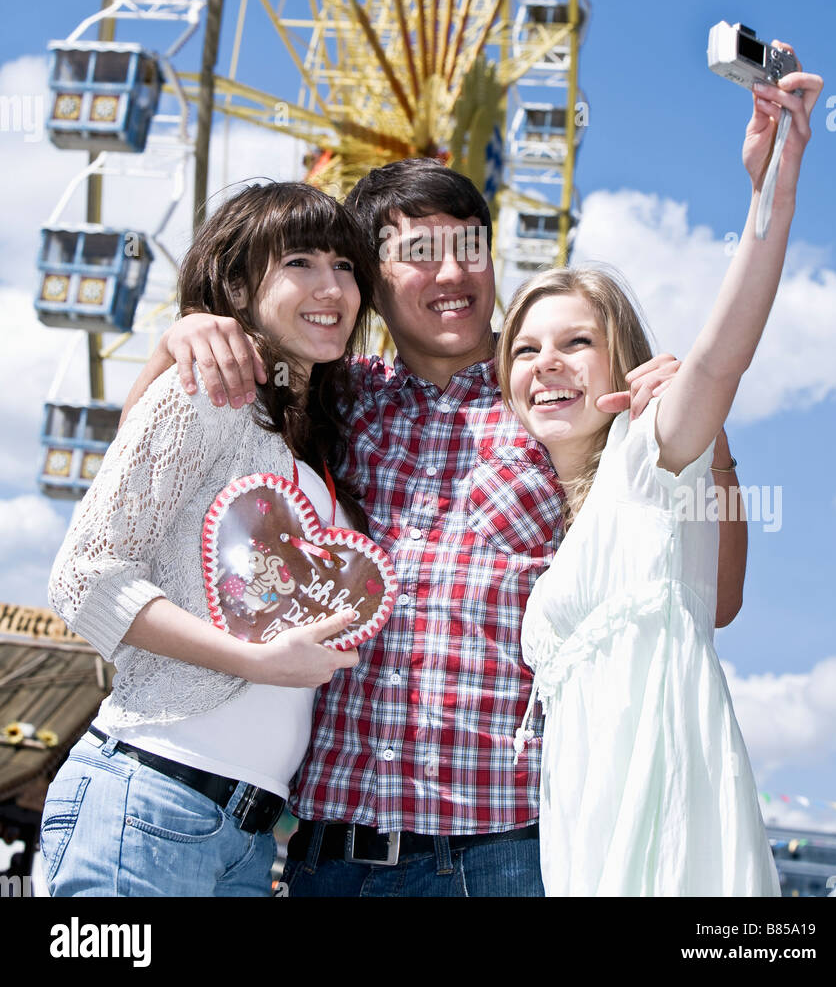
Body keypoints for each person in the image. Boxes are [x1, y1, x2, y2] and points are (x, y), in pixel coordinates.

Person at [118, 160, 749, 897]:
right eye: (419, 254)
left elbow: (715, 601)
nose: (452, 272)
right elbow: (145, 484)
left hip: (502, 851)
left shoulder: (555, 402)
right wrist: (179, 340)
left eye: (471, 248)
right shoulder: (331, 400)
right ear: (369, 285)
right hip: (333, 854)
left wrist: (710, 445)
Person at [498, 56, 821, 895]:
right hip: (584, 831)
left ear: (622, 359)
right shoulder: (559, 527)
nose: (548, 364)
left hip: (663, 826)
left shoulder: (648, 457)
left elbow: (719, 360)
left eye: (575, 341)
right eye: (525, 350)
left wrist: (771, 191)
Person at [40, 182, 375, 897]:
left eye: (345, 266)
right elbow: (83, 577)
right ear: (236, 283)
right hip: (149, 793)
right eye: (302, 262)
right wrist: (255, 659)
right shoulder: (205, 392)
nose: (332, 285)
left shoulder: (304, 440)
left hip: (248, 839)